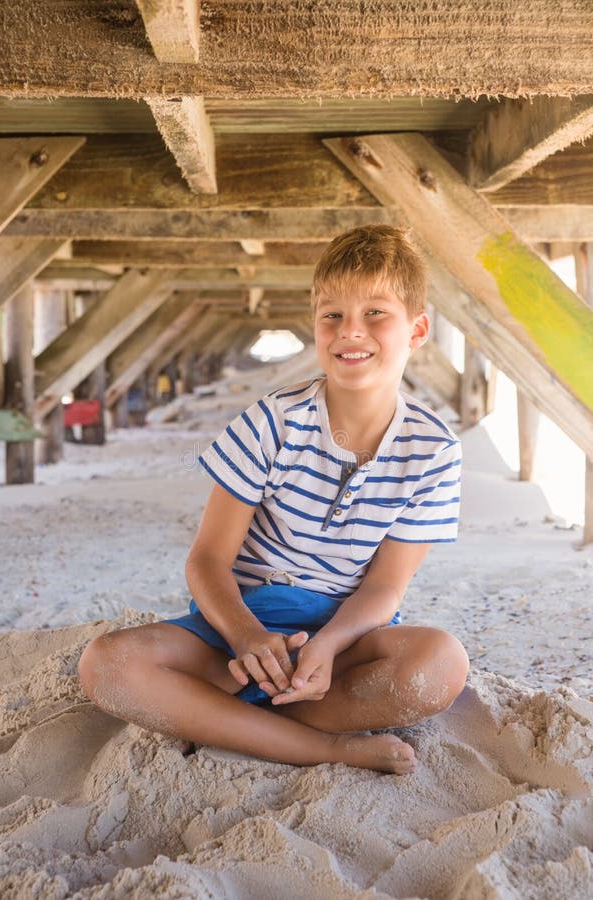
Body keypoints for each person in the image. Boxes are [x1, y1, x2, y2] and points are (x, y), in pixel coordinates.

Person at [79, 225, 469, 775]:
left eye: (376, 313)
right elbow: (207, 560)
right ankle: (317, 744)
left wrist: (329, 646)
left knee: (441, 663)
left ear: (418, 329)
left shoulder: (434, 450)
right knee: (107, 665)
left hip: (341, 643)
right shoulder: (271, 422)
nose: (349, 332)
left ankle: (226, 718)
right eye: (331, 315)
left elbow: (385, 586)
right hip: (232, 634)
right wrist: (247, 638)